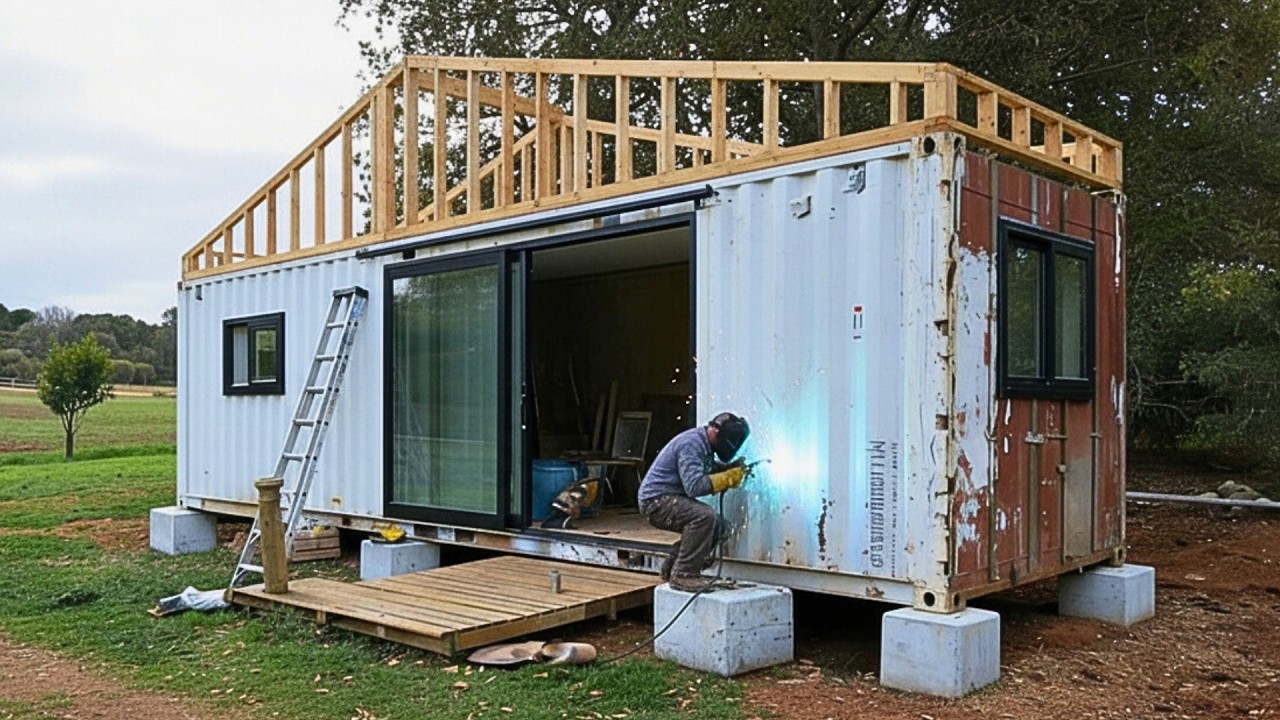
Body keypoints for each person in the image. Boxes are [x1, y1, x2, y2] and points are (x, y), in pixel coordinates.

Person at [637, 412, 750, 593]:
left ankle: (674, 565)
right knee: (705, 517)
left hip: (668, 498)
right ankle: (684, 575)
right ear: (716, 432)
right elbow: (694, 486)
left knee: (719, 526)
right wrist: (728, 478)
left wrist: (729, 468)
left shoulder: (704, 444)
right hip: (655, 502)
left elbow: (705, 469)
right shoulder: (692, 444)